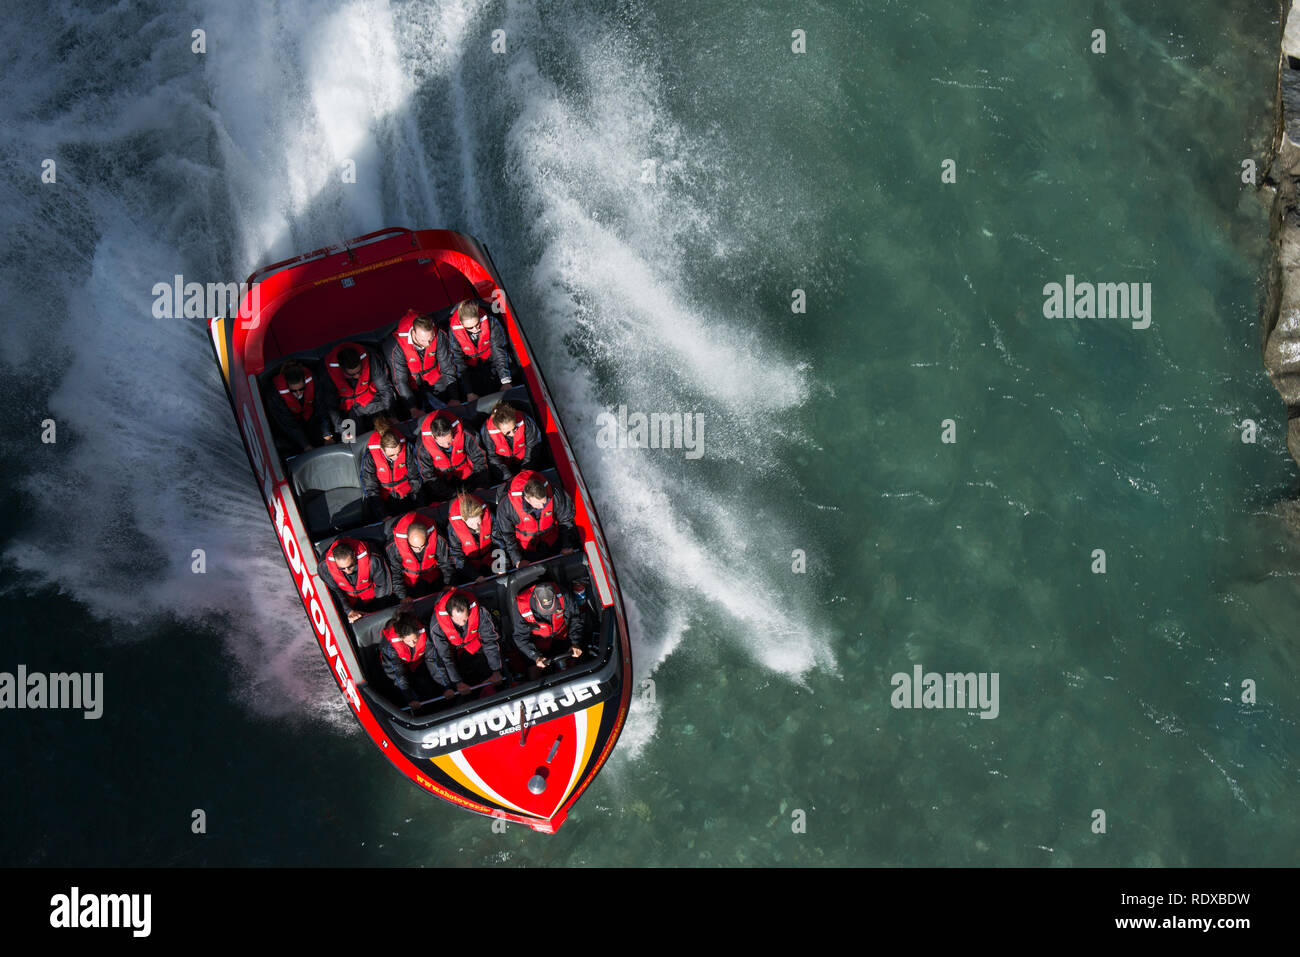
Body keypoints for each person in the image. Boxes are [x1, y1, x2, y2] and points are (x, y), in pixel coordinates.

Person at [494, 469, 579, 568]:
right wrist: (517, 559)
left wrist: (567, 545)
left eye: (544, 502)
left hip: (554, 543)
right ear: (527, 499)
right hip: (527, 552)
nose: (542, 507)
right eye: (538, 503)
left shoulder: (555, 494)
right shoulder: (507, 507)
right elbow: (507, 535)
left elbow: (566, 519)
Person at [383, 309, 458, 415]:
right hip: (412, 385)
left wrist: (454, 397)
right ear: (413, 333)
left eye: (430, 339)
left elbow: (447, 366)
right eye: (423, 340)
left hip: (435, 378)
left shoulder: (439, 334)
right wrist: (412, 408)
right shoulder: (395, 346)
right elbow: (400, 380)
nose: (428, 344)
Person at [429, 588, 505, 693]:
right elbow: (444, 656)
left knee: (490, 669)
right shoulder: (436, 626)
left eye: (465, 619)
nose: (463, 623)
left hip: (477, 645)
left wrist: (496, 670)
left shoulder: (480, 611)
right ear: (449, 615)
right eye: (458, 620)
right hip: (456, 654)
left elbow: (490, 640)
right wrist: (457, 682)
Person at [379, 611, 454, 712]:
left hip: (417, 663)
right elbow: (397, 674)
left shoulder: (425, 634)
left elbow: (433, 660)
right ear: (401, 638)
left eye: (415, 640)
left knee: (426, 686)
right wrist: (410, 699)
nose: (413, 644)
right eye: (408, 641)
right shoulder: (389, 647)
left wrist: (446, 686)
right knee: (402, 694)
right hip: (394, 668)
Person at [511, 580, 584, 678]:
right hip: (536, 643)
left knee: (576, 660)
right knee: (533, 672)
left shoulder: (563, 594)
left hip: (561, 636)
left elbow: (576, 617)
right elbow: (520, 637)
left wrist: (574, 642)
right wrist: (535, 657)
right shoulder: (521, 605)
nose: (549, 613)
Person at [318, 342, 395, 436]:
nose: (358, 376)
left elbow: (384, 388)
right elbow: (331, 406)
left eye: (359, 371)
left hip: (371, 402)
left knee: (387, 432)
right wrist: (342, 430)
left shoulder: (371, 359)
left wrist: (390, 415)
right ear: (342, 369)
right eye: (353, 374)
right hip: (347, 409)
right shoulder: (328, 374)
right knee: (350, 440)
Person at [447, 298, 513, 401]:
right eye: (470, 328)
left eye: (477, 324)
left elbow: (499, 351)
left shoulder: (491, 322)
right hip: (471, 367)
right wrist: (469, 392)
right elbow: (458, 361)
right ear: (461, 323)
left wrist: (506, 381)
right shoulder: (453, 332)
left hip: (491, 361)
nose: (476, 329)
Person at [415, 408, 487, 500]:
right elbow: (427, 475)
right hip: (442, 483)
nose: (447, 445)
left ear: (452, 431)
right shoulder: (422, 445)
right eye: (442, 443)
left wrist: (480, 486)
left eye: (449, 441)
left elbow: (479, 458)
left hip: (467, 475)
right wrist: (452, 496)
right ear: (433, 437)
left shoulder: (466, 432)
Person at [318, 538, 396, 622]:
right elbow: (335, 592)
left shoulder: (373, 560)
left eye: (350, 566)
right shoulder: (325, 568)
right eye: (342, 568)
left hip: (374, 600)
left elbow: (382, 586)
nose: (347, 571)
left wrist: (378, 611)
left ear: (355, 556)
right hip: (348, 603)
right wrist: (349, 611)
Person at [385, 510, 453, 601]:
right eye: (415, 547)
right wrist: (403, 596)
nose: (419, 550)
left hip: (435, 579)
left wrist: (448, 584)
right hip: (410, 585)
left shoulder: (438, 539)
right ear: (407, 539)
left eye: (422, 546)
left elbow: (445, 563)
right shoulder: (394, 547)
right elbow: (394, 573)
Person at [266, 359, 331, 453]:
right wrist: (306, 445)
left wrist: (327, 434)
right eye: (293, 391)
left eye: (301, 389)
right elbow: (286, 422)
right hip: (289, 425)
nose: (298, 393)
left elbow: (321, 407)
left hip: (311, 418)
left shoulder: (313, 381)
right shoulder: (275, 394)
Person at [360, 417, 421, 517]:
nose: (396, 458)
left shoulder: (407, 449)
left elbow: (415, 477)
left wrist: (419, 505)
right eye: (391, 455)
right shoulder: (370, 457)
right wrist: (384, 515)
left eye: (398, 453)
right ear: (382, 449)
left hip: (407, 495)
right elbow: (371, 488)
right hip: (385, 501)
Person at [479, 401, 540, 481]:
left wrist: (526, 470)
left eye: (514, 428)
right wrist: (508, 477)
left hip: (525, 460)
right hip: (503, 464)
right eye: (508, 432)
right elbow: (492, 457)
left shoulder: (526, 421)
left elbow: (533, 445)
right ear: (498, 428)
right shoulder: (487, 432)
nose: (512, 434)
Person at [446, 491, 497, 581]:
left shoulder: (489, 517)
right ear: (463, 519)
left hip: (491, 560)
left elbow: (498, 541)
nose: (477, 526)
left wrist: (500, 566)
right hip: (470, 569)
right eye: (472, 523)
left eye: (478, 521)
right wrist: (475, 576)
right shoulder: (453, 530)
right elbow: (457, 557)